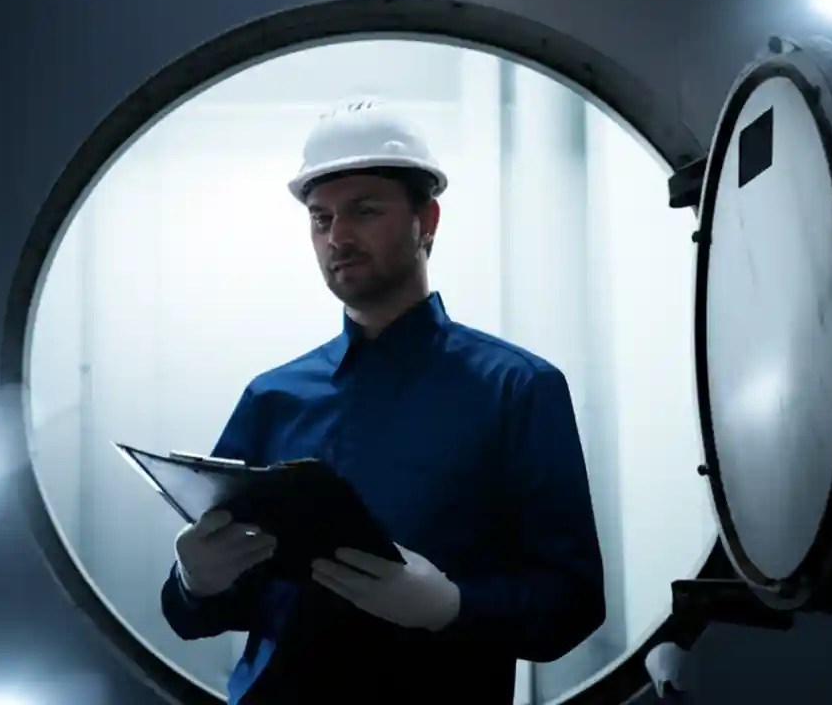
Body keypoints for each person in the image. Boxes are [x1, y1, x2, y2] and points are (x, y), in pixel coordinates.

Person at [160, 97, 606, 703]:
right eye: (321, 219)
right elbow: (199, 616)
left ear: (429, 220)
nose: (338, 236)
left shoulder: (518, 388)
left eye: (364, 211)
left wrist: (453, 606)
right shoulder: (272, 397)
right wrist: (195, 582)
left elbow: (573, 605)